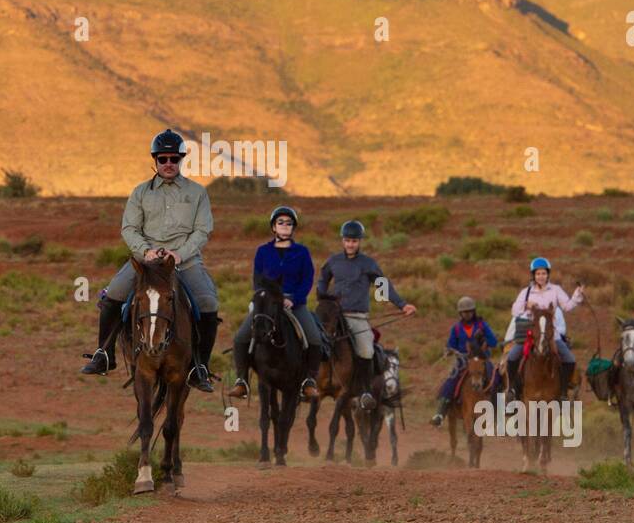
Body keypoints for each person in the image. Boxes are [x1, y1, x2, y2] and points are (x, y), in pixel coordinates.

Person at [78, 129, 219, 392]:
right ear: (154, 160)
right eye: (163, 158)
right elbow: (129, 228)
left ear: (180, 160)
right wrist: (146, 252)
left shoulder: (198, 193)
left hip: (184, 262)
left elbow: (202, 230)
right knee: (115, 294)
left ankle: (200, 367)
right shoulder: (140, 193)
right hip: (146, 263)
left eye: (174, 159)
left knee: (207, 302)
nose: (168, 164)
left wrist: (180, 254)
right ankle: (104, 354)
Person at [316, 220, 416, 410]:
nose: (350, 244)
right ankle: (307, 385)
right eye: (347, 240)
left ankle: (364, 391)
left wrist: (402, 305)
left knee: (367, 350)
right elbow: (323, 279)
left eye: (354, 241)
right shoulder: (333, 261)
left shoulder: (368, 264)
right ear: (342, 241)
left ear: (359, 242)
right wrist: (323, 296)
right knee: (313, 341)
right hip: (334, 316)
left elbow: (383, 286)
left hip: (357, 317)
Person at [229, 206, 324, 401]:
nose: (284, 226)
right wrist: (266, 296)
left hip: (294, 303)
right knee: (240, 337)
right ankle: (241, 381)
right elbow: (257, 279)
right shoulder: (263, 251)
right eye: (280, 222)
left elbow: (307, 279)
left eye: (289, 223)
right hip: (267, 302)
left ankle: (308, 381)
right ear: (274, 227)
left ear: (293, 228)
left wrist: (293, 299)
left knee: (314, 338)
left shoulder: (302, 252)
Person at [503, 257, 584, 398]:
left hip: (551, 334)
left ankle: (563, 391)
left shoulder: (555, 290)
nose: (541, 276)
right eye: (538, 273)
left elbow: (567, 306)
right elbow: (514, 311)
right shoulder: (526, 292)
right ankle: (513, 389)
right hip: (530, 334)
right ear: (533, 275)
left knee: (570, 359)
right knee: (512, 357)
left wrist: (577, 295)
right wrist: (526, 305)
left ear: (548, 274)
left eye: (544, 273)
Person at [430, 296, 498, 426]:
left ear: (474, 311)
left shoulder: (482, 325)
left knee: (494, 377)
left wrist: (484, 338)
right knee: (451, 379)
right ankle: (440, 413)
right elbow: (450, 345)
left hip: (482, 359)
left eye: (470, 311)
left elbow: (493, 342)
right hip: (463, 360)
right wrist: (449, 351)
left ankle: (497, 410)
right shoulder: (456, 328)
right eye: (464, 312)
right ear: (460, 313)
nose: (467, 314)